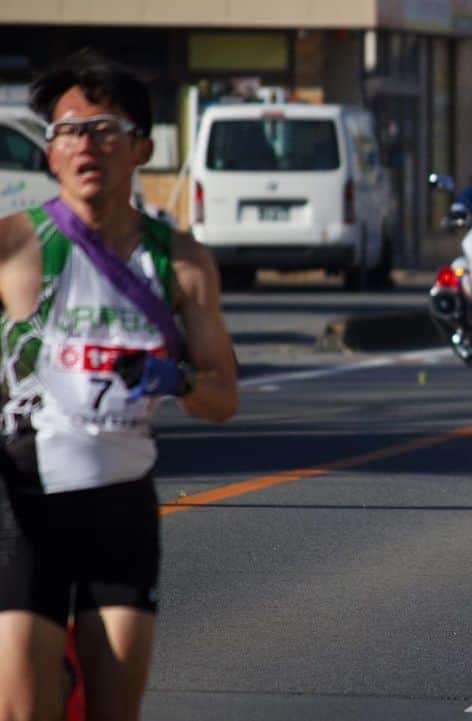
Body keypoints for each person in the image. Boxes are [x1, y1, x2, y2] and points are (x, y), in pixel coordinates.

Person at [0, 49, 238, 721]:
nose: (85, 145)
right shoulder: (14, 245)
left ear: (142, 147)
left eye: (104, 129)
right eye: (68, 131)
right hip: (24, 502)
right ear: (49, 152)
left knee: (113, 708)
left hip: (119, 506)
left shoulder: (183, 263)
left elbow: (223, 396)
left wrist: (180, 376)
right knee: (22, 708)